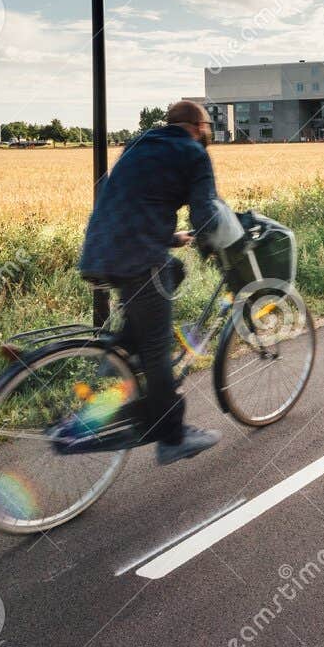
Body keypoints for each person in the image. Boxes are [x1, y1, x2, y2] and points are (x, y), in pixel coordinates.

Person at [67, 99, 241, 462]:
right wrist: (215, 245)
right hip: (138, 259)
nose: (207, 133)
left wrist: (170, 237)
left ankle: (121, 348)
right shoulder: (193, 153)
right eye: (206, 126)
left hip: (98, 252)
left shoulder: (138, 144)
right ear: (196, 126)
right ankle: (172, 437)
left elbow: (133, 204)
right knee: (159, 349)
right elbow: (206, 211)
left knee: (172, 271)